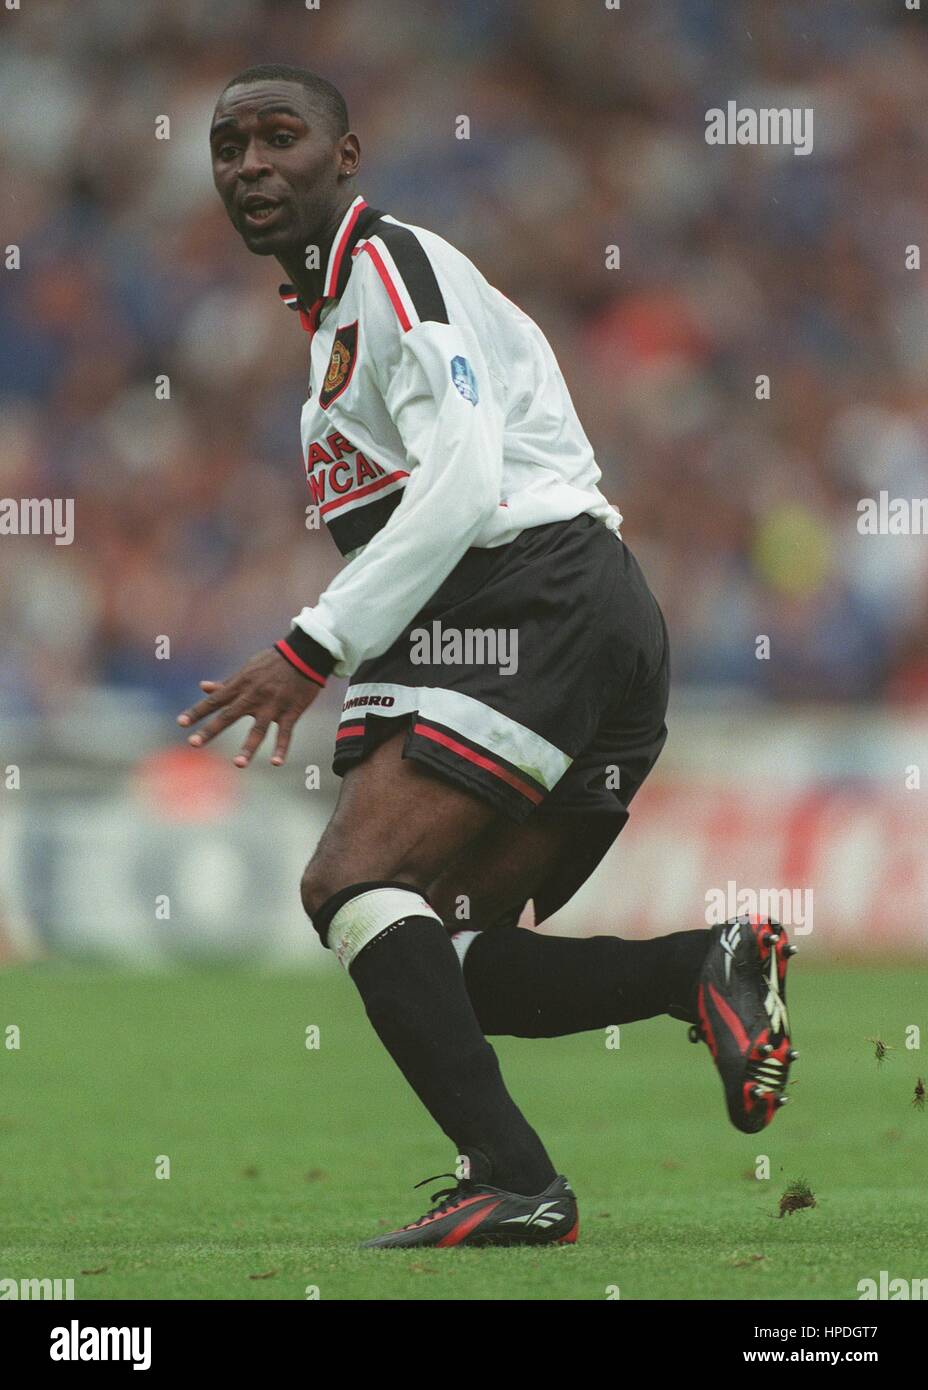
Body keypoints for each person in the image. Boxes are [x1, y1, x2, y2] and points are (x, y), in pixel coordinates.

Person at [179, 64, 797, 1249]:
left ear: (345, 157)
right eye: (228, 146)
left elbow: (464, 475)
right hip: (566, 616)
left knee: (347, 883)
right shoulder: (330, 331)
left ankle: (515, 1179)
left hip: (533, 591)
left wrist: (310, 647)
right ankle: (701, 966)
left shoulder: (389, 266)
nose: (250, 164)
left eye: (278, 137)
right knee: (444, 955)